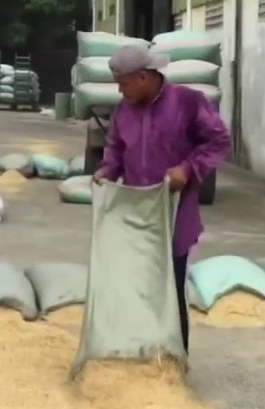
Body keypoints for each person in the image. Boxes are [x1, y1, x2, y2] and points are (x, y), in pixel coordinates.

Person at [92, 45, 231, 353]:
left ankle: (173, 357)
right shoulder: (124, 110)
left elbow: (219, 141)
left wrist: (188, 168)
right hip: (136, 214)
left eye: (124, 83)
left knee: (169, 289)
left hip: (174, 213)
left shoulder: (188, 103)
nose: (119, 89)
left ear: (143, 77)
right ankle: (135, 351)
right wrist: (107, 170)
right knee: (134, 287)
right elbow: (116, 148)